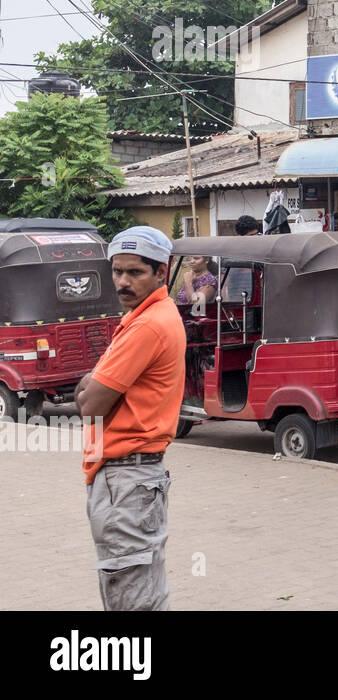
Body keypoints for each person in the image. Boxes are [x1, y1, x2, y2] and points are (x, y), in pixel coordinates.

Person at [76, 225, 185, 611]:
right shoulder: (148, 317)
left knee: (132, 599)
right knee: (142, 592)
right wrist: (93, 387)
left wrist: (91, 385)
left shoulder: (147, 325)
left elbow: (89, 405)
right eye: (117, 271)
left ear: (161, 272)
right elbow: (93, 394)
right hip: (134, 479)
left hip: (127, 479)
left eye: (135, 272)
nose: (123, 282)